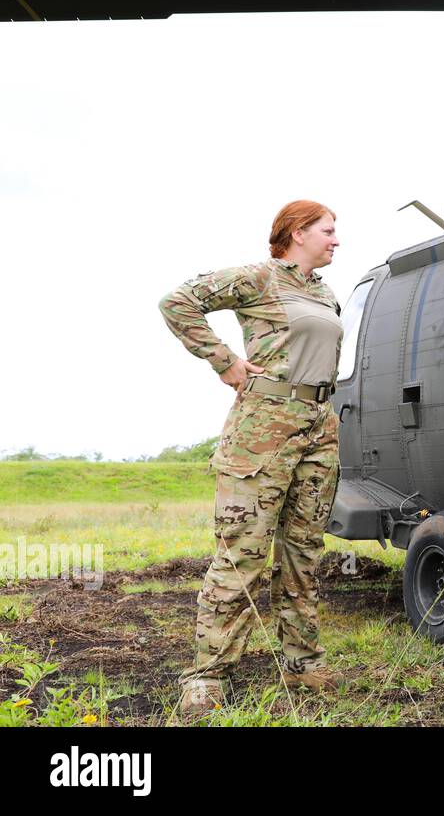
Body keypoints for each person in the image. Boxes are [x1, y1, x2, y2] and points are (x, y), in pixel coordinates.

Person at [159, 200, 345, 715]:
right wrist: (224, 362)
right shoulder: (260, 278)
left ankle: (302, 661)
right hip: (263, 429)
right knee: (242, 553)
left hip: (319, 426)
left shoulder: (323, 291)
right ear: (298, 232)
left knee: (303, 551)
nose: (336, 240)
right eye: (328, 231)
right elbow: (179, 301)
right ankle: (207, 676)